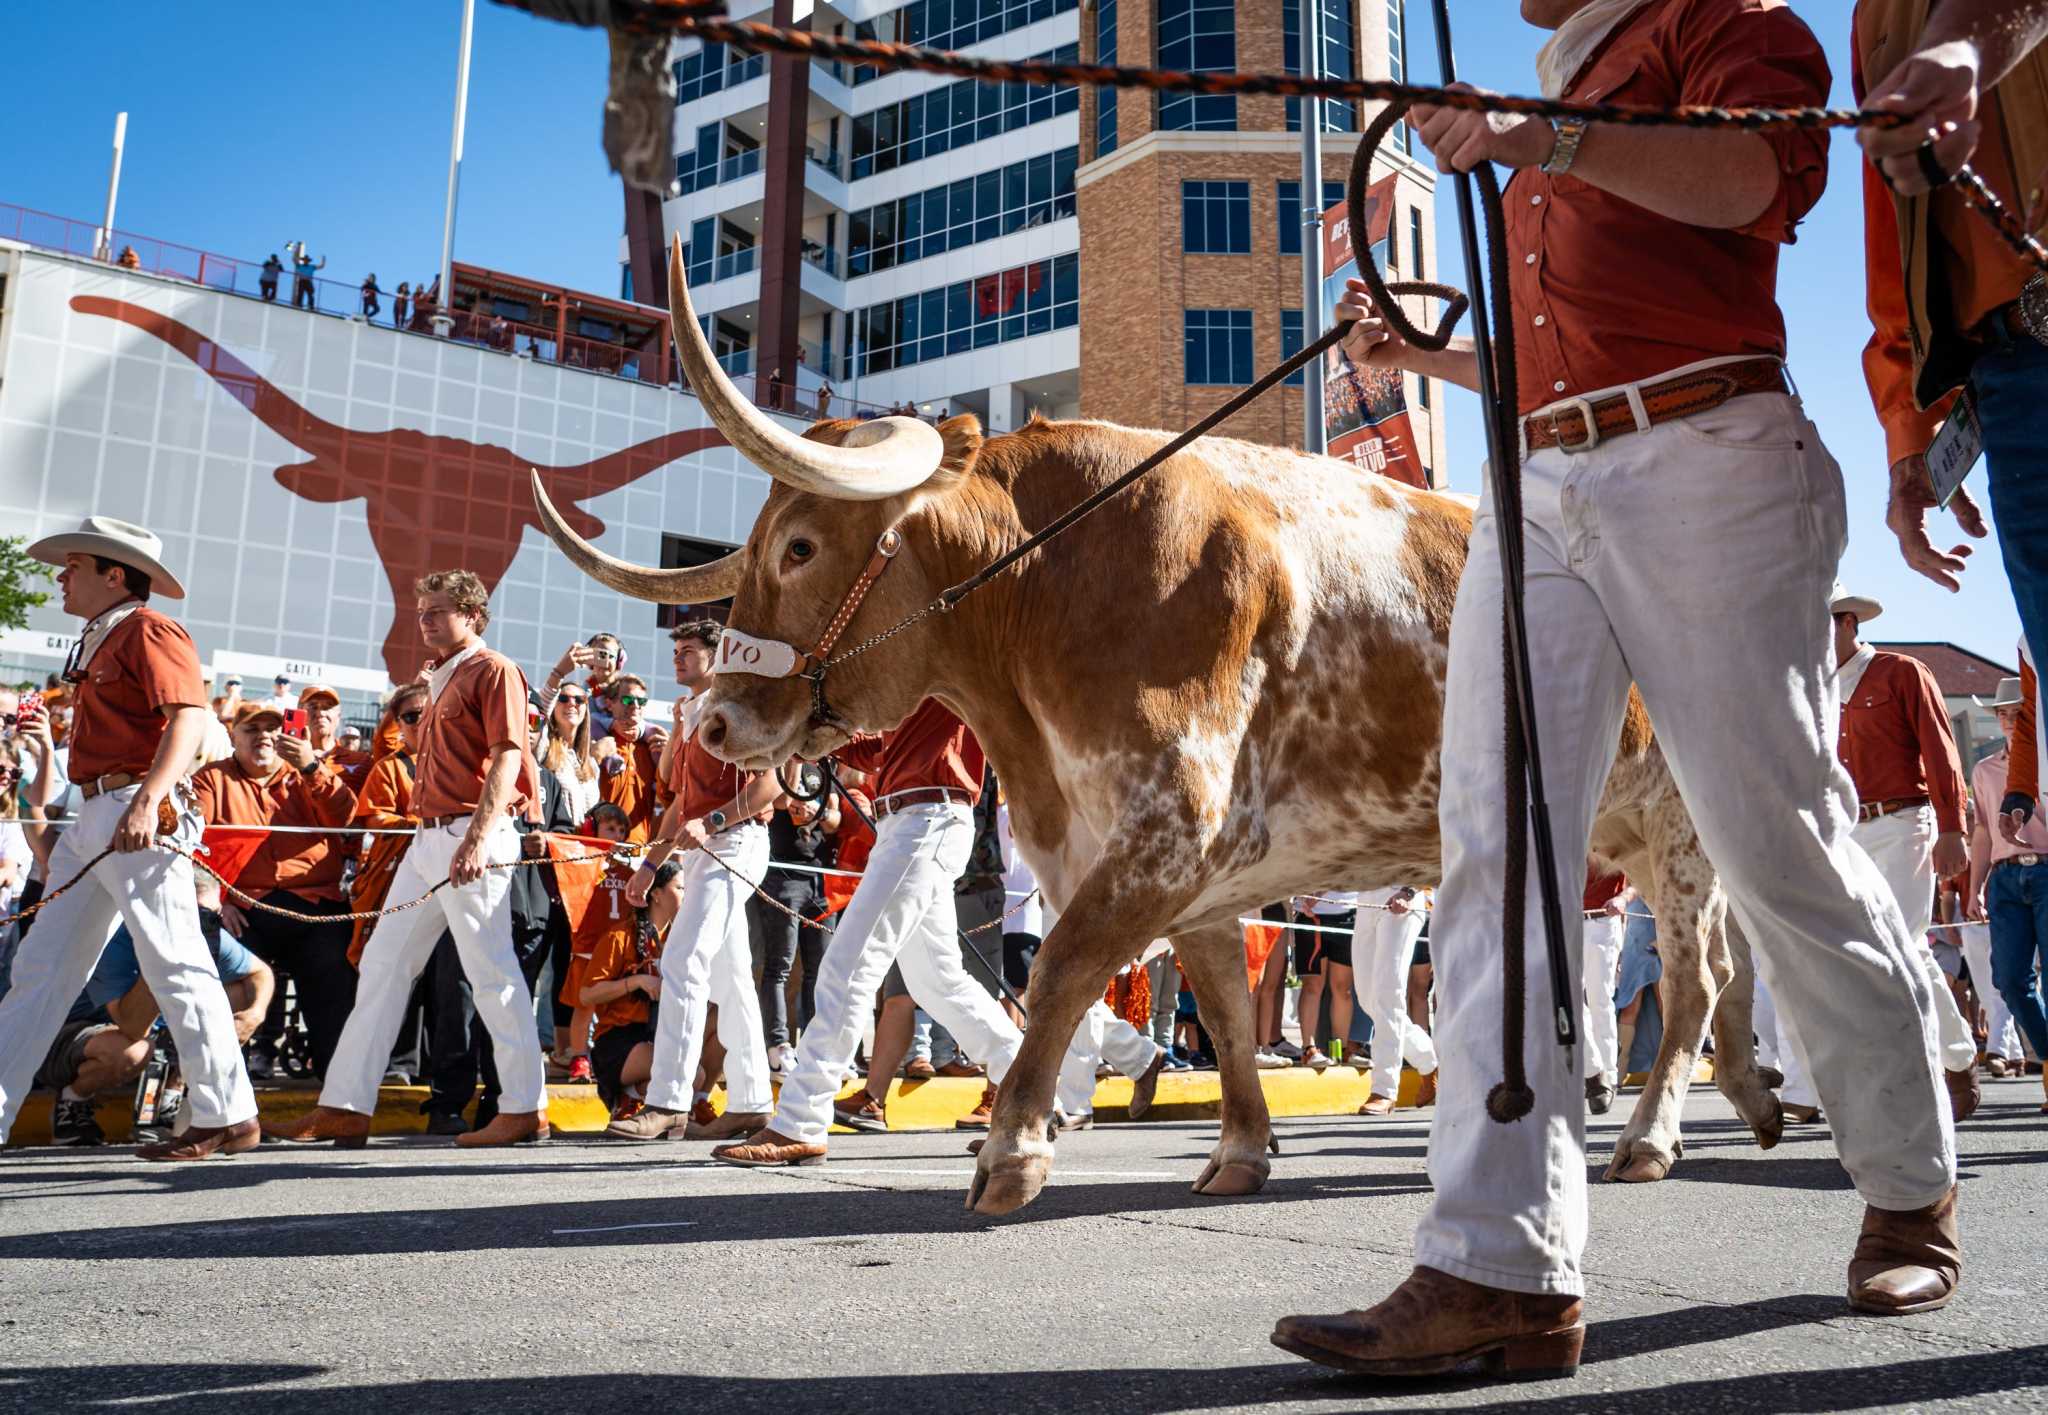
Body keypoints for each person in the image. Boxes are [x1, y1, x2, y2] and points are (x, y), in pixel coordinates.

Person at [1276, 0, 1960, 1378]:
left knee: (1777, 837)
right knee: (1496, 850)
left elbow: (1759, 178)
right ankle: (1499, 1264)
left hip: (1709, 452)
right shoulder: (1556, 90)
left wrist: (1557, 137)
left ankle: (1908, 1188)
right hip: (1541, 478)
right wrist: (1421, 362)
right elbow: (1558, 348)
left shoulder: (1732, 20)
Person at [0, 515, 259, 1159]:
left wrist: (147, 798)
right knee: (41, 967)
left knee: (175, 960)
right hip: (96, 811)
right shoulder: (102, 635)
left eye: (74, 567)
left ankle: (227, 1114)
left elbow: (190, 716)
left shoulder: (150, 629)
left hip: (133, 805)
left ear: (113, 574)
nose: (61, 577)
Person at [264, 568, 550, 1149]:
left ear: (472, 615)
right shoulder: (440, 676)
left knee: (492, 973)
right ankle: (345, 1106)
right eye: (421, 609)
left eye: (437, 610)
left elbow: (508, 757)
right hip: (429, 838)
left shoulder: (493, 669)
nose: (424, 619)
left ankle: (524, 1107)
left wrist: (475, 836)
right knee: (382, 966)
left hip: (471, 833)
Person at [1854, 2, 2048, 751]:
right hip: (2009, 383)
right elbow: (1893, 241)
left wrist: (1965, 49)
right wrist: (1913, 436)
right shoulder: (1876, 14)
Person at [1764, 587, 1980, 1123]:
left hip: (1906, 820)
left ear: (1848, 621)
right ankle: (1812, 1087)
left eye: (1818, 622)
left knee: (1903, 949)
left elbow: (1942, 750)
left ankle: (1952, 1061)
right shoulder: (1807, 688)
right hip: (1839, 832)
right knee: (1828, 955)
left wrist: (1953, 829)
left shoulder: (1901, 671)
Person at [601, 619, 781, 1142]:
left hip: (738, 842)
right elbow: (681, 803)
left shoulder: (740, 704)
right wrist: (650, 865)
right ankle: (749, 1102)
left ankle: (669, 1101)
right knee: (730, 977)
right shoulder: (684, 714)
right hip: (702, 849)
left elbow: (770, 784)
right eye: (675, 650)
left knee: (682, 960)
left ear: (716, 656)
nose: (678, 658)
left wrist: (717, 821)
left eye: (688, 651)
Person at [191, 701, 361, 1080]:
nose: (264, 736)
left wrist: (311, 766)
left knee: (336, 969)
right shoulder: (210, 779)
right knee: (224, 971)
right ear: (232, 736)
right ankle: (222, 1081)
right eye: (252, 730)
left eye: (272, 729)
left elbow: (348, 816)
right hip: (242, 907)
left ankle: (336, 1088)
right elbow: (191, 845)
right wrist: (220, 898)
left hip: (316, 904)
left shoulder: (308, 773)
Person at [1965, 674, 2048, 1112]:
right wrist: (1974, 888)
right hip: (2004, 878)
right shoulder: (1984, 770)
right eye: (2003, 713)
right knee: (2010, 980)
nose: (2010, 720)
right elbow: (1980, 830)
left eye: (2019, 712)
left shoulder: (2047, 761)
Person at [580, 851, 682, 1118]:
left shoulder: (680, 938)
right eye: (680, 888)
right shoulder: (620, 936)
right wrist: (636, 981)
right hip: (619, 1040)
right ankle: (627, 1093)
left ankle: (638, 1094)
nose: (687, 895)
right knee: (677, 1065)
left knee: (700, 1064)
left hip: (659, 1033)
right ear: (656, 894)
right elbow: (587, 995)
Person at [753, 761, 838, 1075]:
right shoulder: (779, 759)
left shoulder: (824, 766)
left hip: (818, 875)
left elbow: (835, 818)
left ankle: (817, 1047)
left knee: (821, 969)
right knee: (779, 965)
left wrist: (820, 814)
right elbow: (781, 803)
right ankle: (777, 1046)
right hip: (782, 873)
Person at [345, 682, 427, 967]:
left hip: (447, 877)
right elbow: (375, 818)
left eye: (426, 713)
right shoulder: (389, 767)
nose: (419, 721)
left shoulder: (461, 764)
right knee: (384, 963)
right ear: (399, 723)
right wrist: (423, 825)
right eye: (410, 716)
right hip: (396, 876)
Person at [1352, 886, 1438, 1116]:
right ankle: (1430, 1061)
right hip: (1366, 897)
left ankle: (1384, 1091)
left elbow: (1426, 852)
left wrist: (1409, 892)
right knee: (1368, 999)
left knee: (1388, 995)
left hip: (1402, 898)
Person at [595, 671, 667, 841]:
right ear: (609, 703)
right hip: (596, 846)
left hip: (637, 850)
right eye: (627, 700)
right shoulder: (598, 739)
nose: (635, 705)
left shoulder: (653, 747)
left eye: (641, 701)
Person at [1581, 871, 1628, 1115]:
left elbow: (1638, 877)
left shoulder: (1614, 835)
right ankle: (1593, 1070)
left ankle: (1608, 1074)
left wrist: (1623, 899)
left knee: (1600, 1000)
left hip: (1603, 923)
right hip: (1564, 921)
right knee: (1569, 1000)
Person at [292, 245, 326, 311]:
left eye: (306, 260)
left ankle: (311, 306)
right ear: (303, 260)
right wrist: (295, 251)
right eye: (305, 260)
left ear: (308, 261)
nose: (306, 261)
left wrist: (323, 259)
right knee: (300, 293)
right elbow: (294, 260)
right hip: (302, 281)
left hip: (308, 281)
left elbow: (321, 266)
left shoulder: (311, 267)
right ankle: (299, 305)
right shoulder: (300, 266)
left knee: (310, 294)